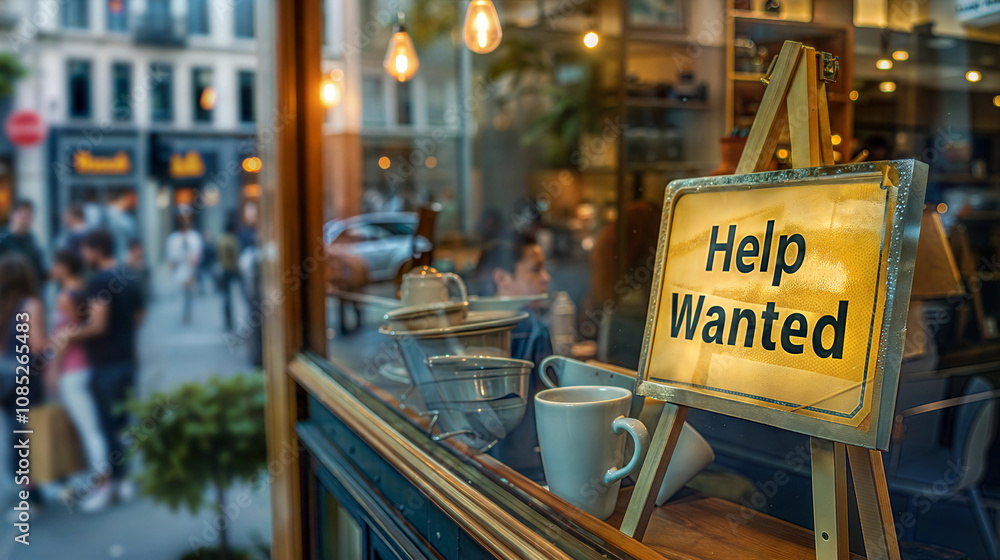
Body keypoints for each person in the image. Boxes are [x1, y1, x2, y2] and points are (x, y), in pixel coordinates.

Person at [63, 229, 145, 505]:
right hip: (127, 360)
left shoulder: (99, 281)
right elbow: (139, 317)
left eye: (86, 250)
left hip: (105, 364)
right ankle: (122, 483)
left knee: (108, 427)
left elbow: (97, 325)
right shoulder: (129, 276)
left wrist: (66, 335)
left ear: (97, 251)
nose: (84, 256)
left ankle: (109, 487)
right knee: (122, 425)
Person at [474, 233, 553, 481]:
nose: (546, 278)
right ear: (501, 278)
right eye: (535, 269)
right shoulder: (533, 327)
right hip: (528, 468)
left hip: (478, 464)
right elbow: (549, 403)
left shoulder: (470, 322)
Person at [47, 249, 109, 512]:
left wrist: (53, 368)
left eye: (55, 264)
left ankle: (102, 484)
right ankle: (96, 480)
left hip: (72, 369)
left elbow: (64, 335)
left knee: (89, 429)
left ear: (64, 267)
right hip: (85, 364)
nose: (51, 269)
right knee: (90, 428)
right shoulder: (82, 290)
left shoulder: (65, 297)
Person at [0, 255, 47, 491]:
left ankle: (26, 486)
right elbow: (37, 344)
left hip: (5, 379)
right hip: (27, 376)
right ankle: (36, 487)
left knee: (15, 430)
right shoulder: (30, 305)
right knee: (32, 430)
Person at [165, 214, 203, 324]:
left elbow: (198, 256)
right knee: (181, 296)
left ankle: (187, 314)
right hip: (179, 270)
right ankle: (183, 315)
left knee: (190, 295)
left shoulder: (194, 237)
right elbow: (171, 258)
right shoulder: (173, 239)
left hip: (191, 269)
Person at [0, 199, 46, 282]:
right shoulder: (2, 238)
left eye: (29, 216)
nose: (26, 220)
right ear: (11, 215)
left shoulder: (31, 239)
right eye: (23, 216)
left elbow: (38, 269)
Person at [216, 218, 241, 331]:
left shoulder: (220, 240)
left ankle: (227, 320)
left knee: (226, 297)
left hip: (222, 270)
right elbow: (235, 256)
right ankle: (230, 320)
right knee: (233, 297)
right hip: (231, 270)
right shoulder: (231, 240)